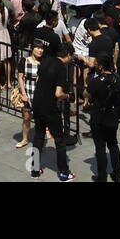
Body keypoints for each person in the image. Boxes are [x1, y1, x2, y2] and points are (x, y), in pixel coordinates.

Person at [29, 36, 73, 181]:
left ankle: (35, 169)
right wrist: (67, 96)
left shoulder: (46, 60)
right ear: (67, 56)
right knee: (59, 140)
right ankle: (64, 172)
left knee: (39, 136)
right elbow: (58, 93)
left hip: (37, 103)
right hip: (49, 107)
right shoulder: (61, 68)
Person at [87, 53, 120, 183]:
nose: (95, 65)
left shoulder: (95, 81)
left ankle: (102, 175)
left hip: (99, 117)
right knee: (113, 144)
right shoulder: (117, 78)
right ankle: (117, 173)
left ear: (101, 66)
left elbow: (89, 97)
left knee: (100, 146)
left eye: (96, 63)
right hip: (113, 117)